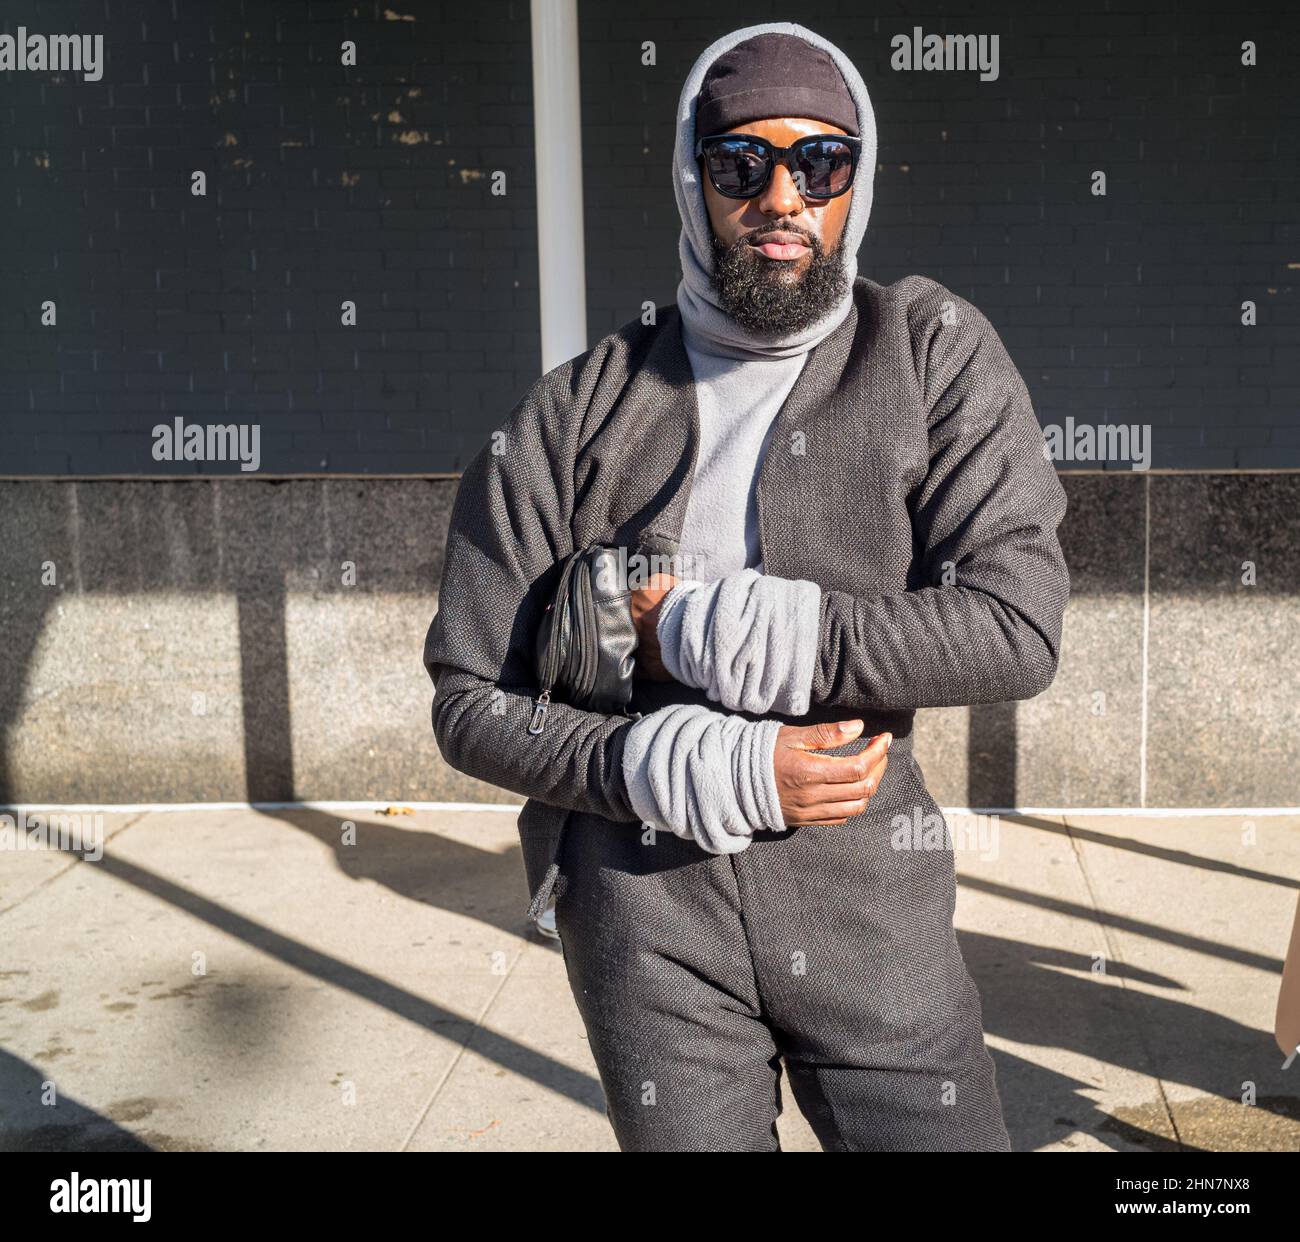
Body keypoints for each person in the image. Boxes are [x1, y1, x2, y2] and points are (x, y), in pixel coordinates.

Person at [423, 22, 1069, 1152]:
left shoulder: (927, 351)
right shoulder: (576, 408)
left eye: (820, 161)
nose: (782, 196)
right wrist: (663, 760)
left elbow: (1013, 628)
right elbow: (471, 698)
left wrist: (704, 632)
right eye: (741, 163)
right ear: (694, 178)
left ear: (856, 181)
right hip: (641, 913)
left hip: (866, 901)